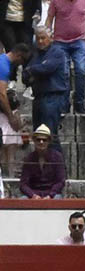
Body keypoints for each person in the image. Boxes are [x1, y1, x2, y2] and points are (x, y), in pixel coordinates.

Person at [46, 0, 85, 115]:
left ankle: (79, 103)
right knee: (64, 73)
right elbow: (50, 18)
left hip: (79, 40)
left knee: (80, 70)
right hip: (60, 41)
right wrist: (47, 33)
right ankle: (64, 104)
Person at [23, 27, 69, 151]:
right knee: (38, 135)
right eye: (38, 38)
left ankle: (58, 167)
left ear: (51, 38)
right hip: (38, 96)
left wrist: (33, 70)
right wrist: (34, 70)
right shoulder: (35, 54)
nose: (40, 41)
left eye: (43, 38)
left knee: (49, 134)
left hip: (52, 97)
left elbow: (47, 68)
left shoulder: (57, 52)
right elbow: (25, 75)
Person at [0, 43, 29, 181]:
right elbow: (2, 94)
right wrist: (11, 116)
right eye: (22, 60)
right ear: (18, 56)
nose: (21, 64)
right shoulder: (4, 66)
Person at [20, 124, 66, 198]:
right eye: (38, 140)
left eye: (44, 140)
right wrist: (32, 195)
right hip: (34, 192)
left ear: (49, 141)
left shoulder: (57, 157)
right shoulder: (29, 158)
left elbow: (60, 181)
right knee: (22, 200)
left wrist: (50, 195)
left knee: (57, 199)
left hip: (52, 193)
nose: (41, 142)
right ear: (34, 141)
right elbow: (23, 183)